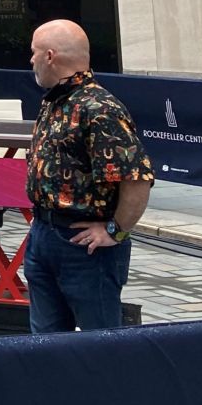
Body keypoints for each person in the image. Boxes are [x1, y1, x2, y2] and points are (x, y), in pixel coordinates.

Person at [25, 19, 154, 333]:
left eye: (34, 53)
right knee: (45, 343)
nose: (31, 61)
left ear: (50, 56)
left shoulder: (99, 108)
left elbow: (136, 178)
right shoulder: (57, 101)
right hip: (45, 234)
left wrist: (115, 230)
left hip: (85, 247)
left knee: (99, 344)